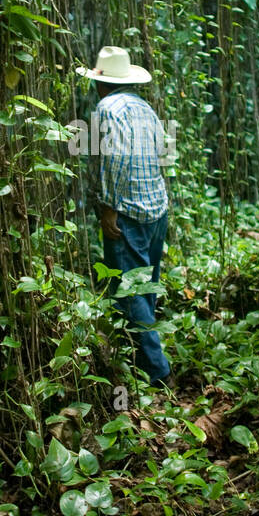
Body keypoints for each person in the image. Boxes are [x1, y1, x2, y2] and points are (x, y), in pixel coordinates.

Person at [75, 46, 173, 387]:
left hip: (127, 213)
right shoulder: (146, 108)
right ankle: (135, 358)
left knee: (130, 291)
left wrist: (109, 208)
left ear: (101, 82)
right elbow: (165, 154)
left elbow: (114, 159)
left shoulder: (106, 108)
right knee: (145, 287)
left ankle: (158, 373)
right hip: (156, 209)